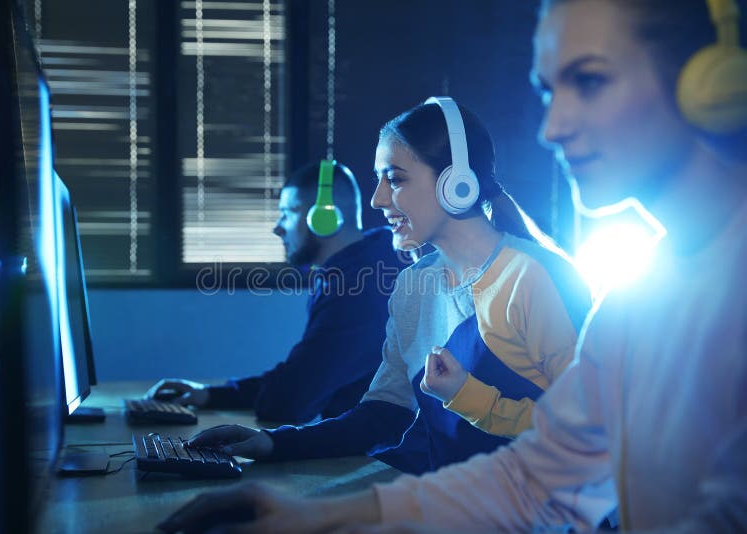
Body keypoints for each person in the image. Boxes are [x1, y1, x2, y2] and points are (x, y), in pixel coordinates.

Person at [156, 0, 747, 532]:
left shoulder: (564, 283)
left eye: (589, 80)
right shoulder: (638, 302)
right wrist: (318, 511)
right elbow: (538, 474)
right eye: (547, 92)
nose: (552, 128)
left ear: (710, 84)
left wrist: (464, 397)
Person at [173, 97, 591, 478]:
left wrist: (468, 395)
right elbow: (383, 414)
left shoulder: (536, 278)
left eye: (395, 179)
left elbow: (587, 431)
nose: (376, 199)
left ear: (456, 183)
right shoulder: (413, 286)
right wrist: (274, 442)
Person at [146, 160, 404, 424]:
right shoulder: (356, 270)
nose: (277, 227)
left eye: (287, 213)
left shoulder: (358, 290)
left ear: (324, 218)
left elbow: (287, 403)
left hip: (376, 458)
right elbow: (300, 375)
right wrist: (211, 395)